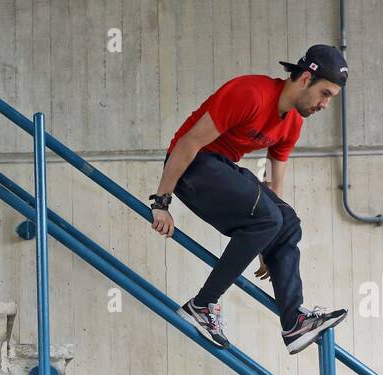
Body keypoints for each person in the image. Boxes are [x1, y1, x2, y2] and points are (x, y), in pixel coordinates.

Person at [148, 45, 350, 354]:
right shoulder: (251, 93)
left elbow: (272, 180)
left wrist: (267, 241)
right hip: (194, 166)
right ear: (306, 78)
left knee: (288, 224)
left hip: (222, 169)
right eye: (325, 94)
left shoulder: (292, 124)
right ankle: (201, 305)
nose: (325, 104)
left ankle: (293, 321)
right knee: (269, 217)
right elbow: (189, 142)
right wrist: (162, 202)